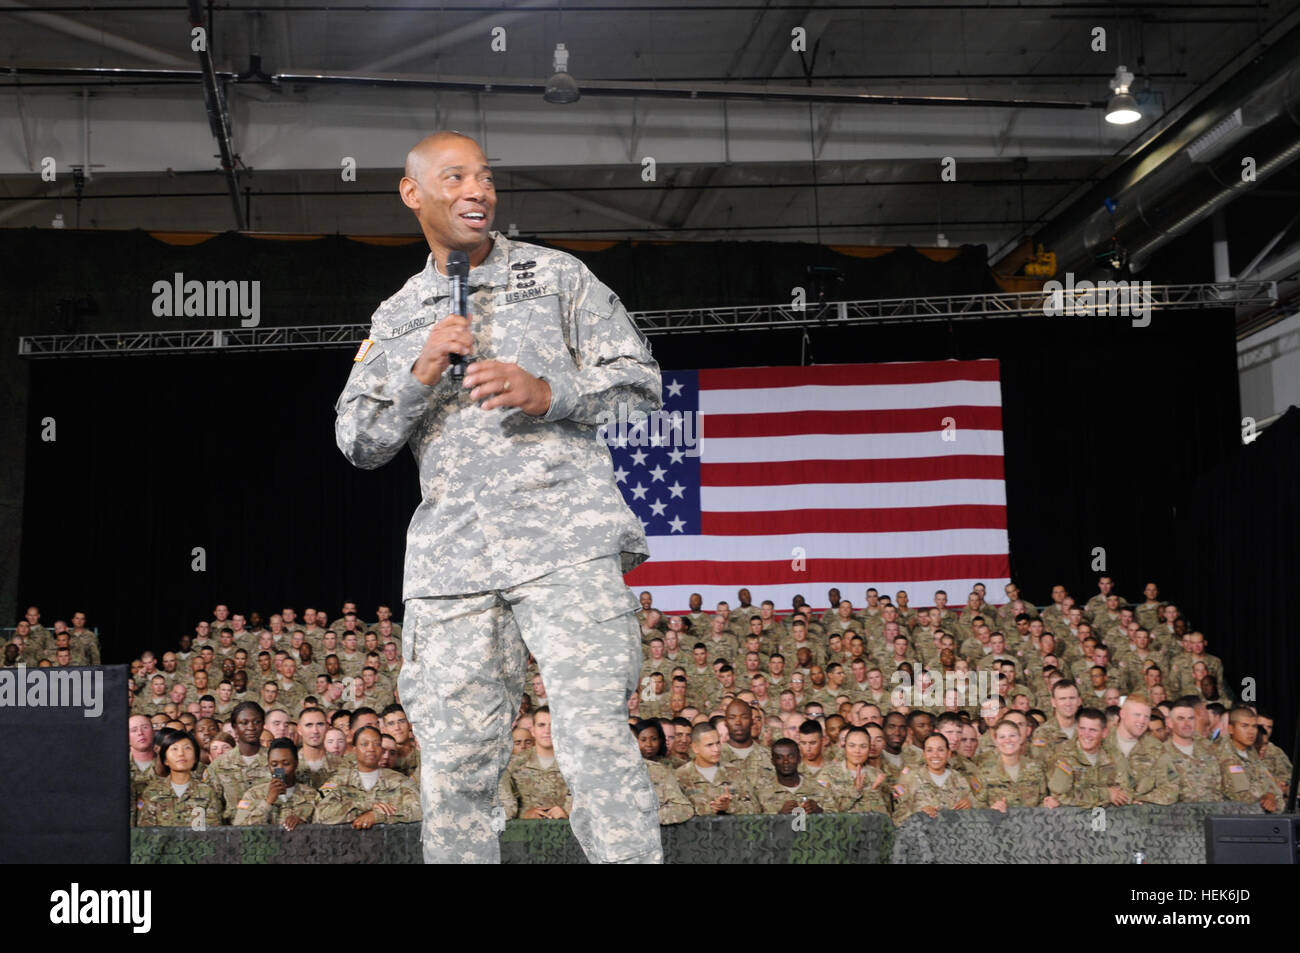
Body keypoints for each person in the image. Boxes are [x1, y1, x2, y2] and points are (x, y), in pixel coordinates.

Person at [334, 130, 663, 865]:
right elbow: (358, 441)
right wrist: (418, 371)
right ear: (413, 192)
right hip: (453, 572)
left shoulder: (559, 278)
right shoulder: (398, 315)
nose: (477, 190)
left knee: (597, 749)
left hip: (566, 550)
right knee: (455, 770)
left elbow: (643, 393)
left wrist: (550, 392)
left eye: (484, 177)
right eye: (456, 177)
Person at [317, 726, 423, 828]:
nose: (371, 749)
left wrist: (377, 816)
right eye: (364, 744)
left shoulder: (399, 780)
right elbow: (319, 813)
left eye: (377, 744)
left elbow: (419, 810)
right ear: (354, 749)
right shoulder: (335, 781)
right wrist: (366, 806)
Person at [135, 731, 224, 828]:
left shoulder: (208, 792)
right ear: (165, 760)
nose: (181, 753)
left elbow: (213, 833)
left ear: (195, 758)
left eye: (187, 748)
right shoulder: (152, 792)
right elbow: (146, 833)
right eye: (174, 749)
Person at [233, 739, 321, 830]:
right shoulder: (252, 794)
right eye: (274, 764)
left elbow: (323, 829)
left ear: (296, 763)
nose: (280, 769)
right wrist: (268, 802)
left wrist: (303, 825)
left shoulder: (312, 795)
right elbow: (239, 830)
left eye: (286, 764)